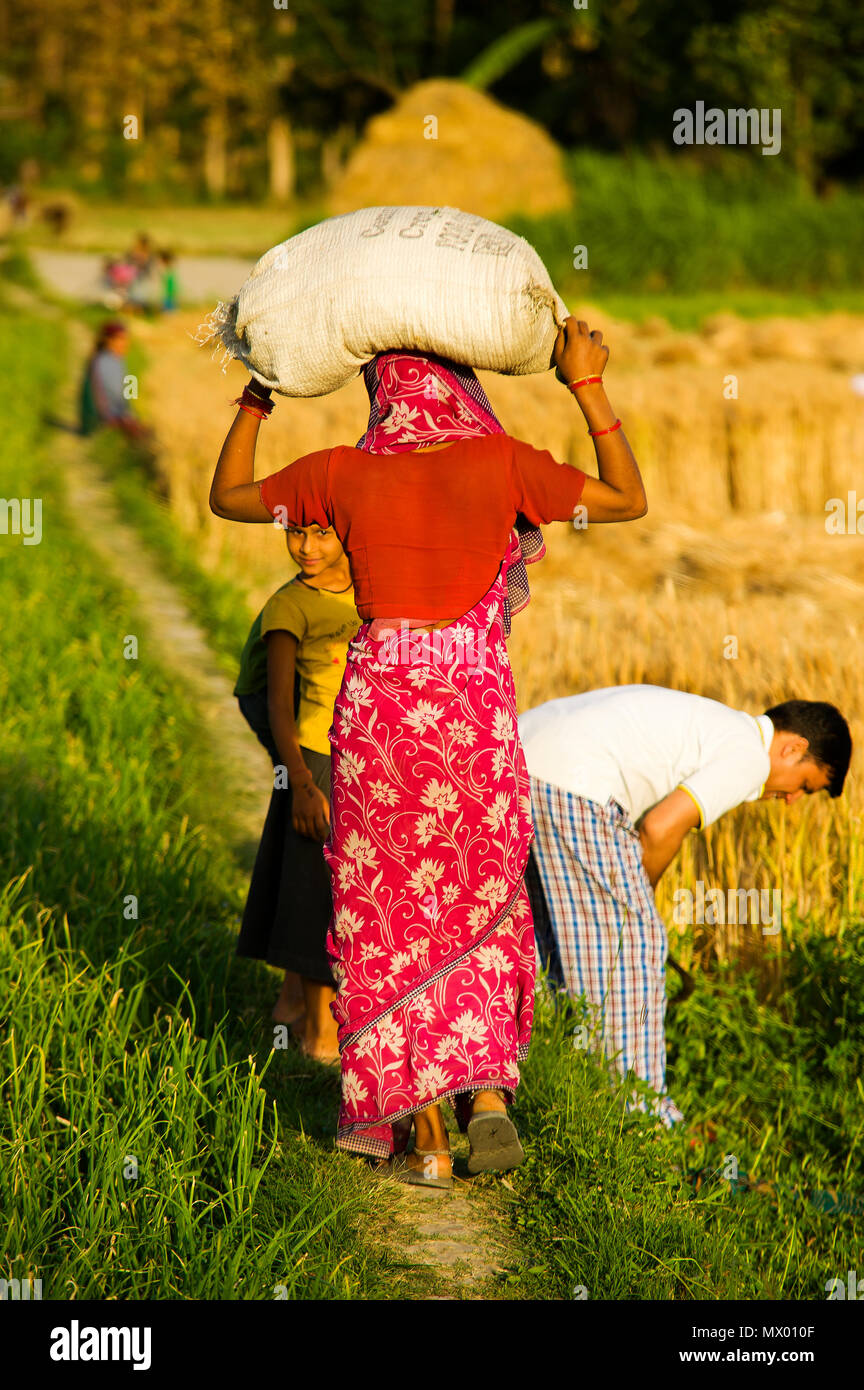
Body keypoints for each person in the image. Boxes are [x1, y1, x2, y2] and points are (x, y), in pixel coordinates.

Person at [209, 318, 648, 1189]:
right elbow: (625, 498)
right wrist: (585, 384)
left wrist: (259, 392)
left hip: (380, 717)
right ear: (462, 388)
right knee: (481, 905)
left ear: (382, 392)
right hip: (472, 715)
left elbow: (228, 496)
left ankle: (431, 1138)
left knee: (390, 915)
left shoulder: (340, 471)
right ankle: (487, 1096)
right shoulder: (502, 462)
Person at [520, 686, 853, 1126]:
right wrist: (641, 903)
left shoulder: (719, 726)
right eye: (805, 786)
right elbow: (660, 829)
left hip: (516, 760)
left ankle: (536, 1082)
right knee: (634, 948)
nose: (792, 800)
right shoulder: (748, 755)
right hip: (574, 786)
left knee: (543, 938)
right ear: (793, 747)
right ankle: (638, 1119)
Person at [234, 524, 360, 1062]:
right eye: (294, 533)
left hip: (361, 751)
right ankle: (317, 1037)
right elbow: (279, 706)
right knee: (315, 887)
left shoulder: (371, 588)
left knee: (332, 880)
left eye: (321, 535)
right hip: (313, 752)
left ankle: (290, 1002)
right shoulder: (289, 606)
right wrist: (302, 782)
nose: (306, 548)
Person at [79, 321, 151, 442]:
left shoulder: (117, 361)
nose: (126, 343)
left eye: (127, 339)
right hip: (102, 421)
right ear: (109, 340)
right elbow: (102, 398)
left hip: (112, 416)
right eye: (121, 339)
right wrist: (121, 419)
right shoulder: (104, 361)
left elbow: (126, 393)